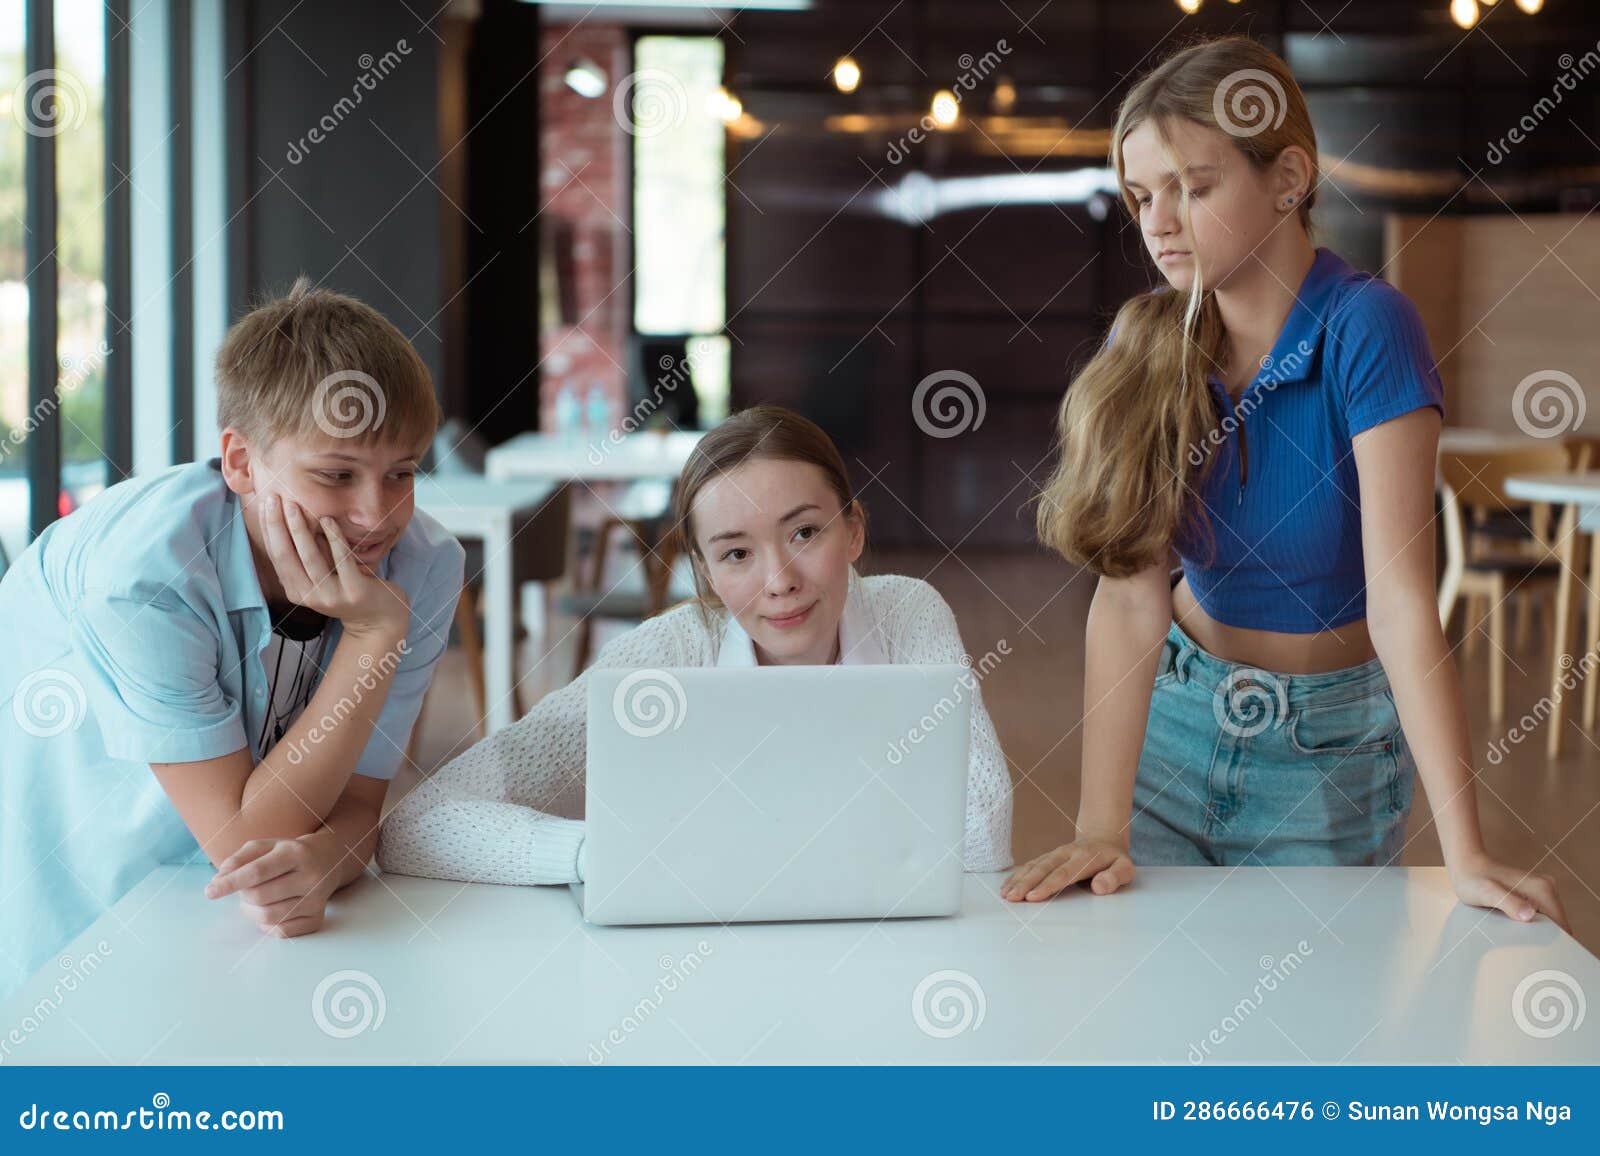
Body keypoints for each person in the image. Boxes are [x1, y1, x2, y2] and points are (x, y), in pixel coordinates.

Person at [1004, 36, 1566, 931]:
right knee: (1151, 1011)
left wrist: (1465, 853)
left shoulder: (1366, 327)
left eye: (1193, 186)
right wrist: (1100, 828)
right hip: (1176, 722)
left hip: (1328, 751)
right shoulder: (1143, 345)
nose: (1157, 222)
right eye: (1142, 196)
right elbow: (1126, 601)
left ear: (1288, 176)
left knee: (1308, 1027)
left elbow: (1402, 604)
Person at [0, 278, 465, 1002]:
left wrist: (325, 859)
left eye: (402, 473)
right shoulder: (145, 576)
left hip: (229, 916)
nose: (377, 515)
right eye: (336, 474)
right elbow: (245, 838)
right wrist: (374, 635)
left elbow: (360, 803)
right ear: (242, 462)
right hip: (75, 891)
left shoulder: (425, 565)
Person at [377, 404, 1013, 884]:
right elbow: (417, 826)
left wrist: (722, 847)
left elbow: (985, 833)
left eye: (805, 534)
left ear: (853, 532)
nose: (780, 582)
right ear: (704, 573)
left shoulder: (906, 612)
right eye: (737, 553)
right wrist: (598, 855)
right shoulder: (664, 657)